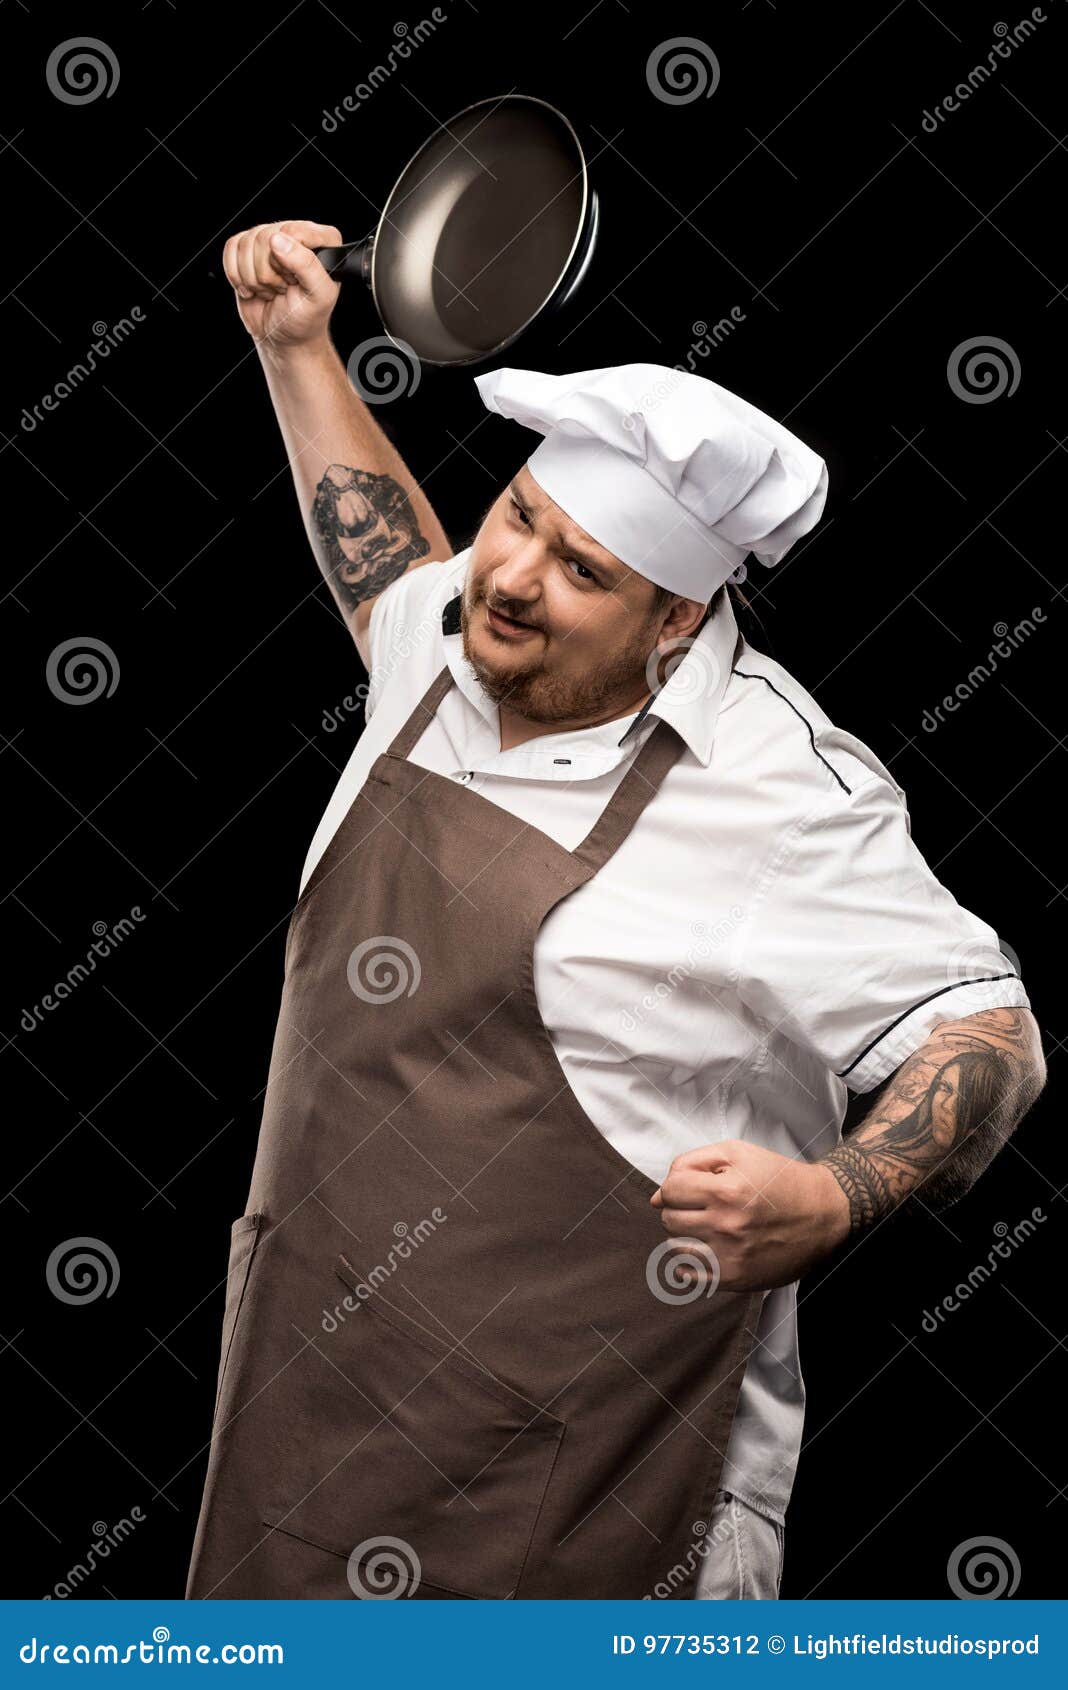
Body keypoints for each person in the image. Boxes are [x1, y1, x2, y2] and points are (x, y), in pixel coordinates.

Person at [186, 220, 1046, 1603]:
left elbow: (989, 1033)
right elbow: (388, 569)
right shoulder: (451, 635)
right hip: (316, 1419)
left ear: (676, 623)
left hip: (589, 1495)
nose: (514, 578)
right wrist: (298, 349)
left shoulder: (778, 790)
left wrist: (836, 1194)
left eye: (585, 570)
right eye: (520, 515)